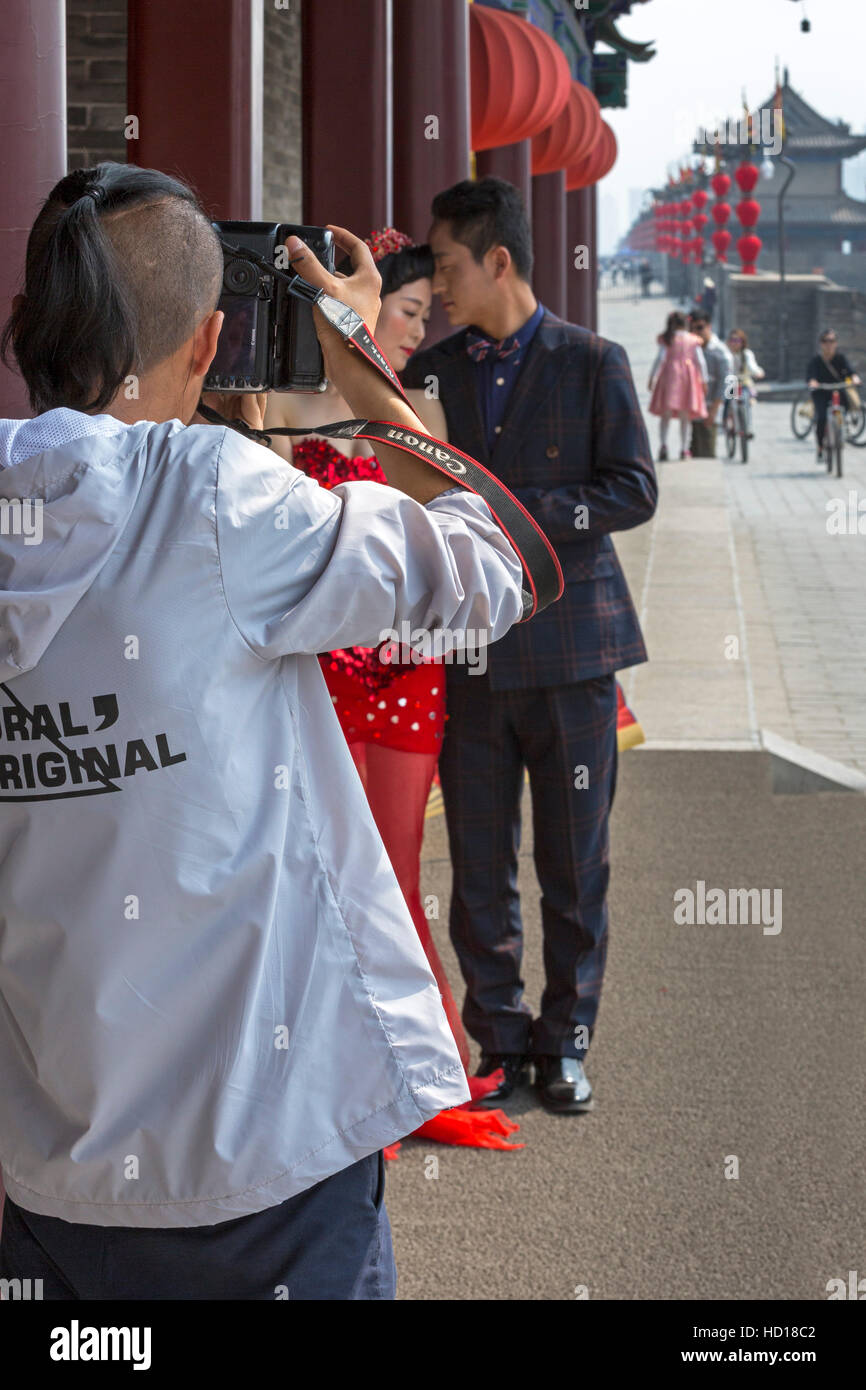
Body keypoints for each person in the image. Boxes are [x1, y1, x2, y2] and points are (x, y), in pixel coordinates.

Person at [0, 163, 527, 1299]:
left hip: (54, 1169)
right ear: (208, 342)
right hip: (270, 1161)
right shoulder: (211, 497)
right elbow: (496, 567)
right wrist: (366, 375)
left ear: (26, 330)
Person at [402, 176, 657, 1115]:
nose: (437, 283)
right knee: (478, 865)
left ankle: (569, 1046)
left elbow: (634, 489)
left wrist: (517, 518)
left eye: (447, 263)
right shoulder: (432, 373)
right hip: (473, 656)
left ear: (496, 260)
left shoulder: (596, 360)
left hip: (576, 654)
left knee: (573, 866)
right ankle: (501, 1042)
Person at [264, 228, 516, 1149]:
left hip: (407, 670)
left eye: (418, 313)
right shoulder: (282, 406)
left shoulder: (424, 417)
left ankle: (430, 1061)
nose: (414, 330)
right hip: (325, 666)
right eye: (405, 311)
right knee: (326, 862)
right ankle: (338, 1064)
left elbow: (447, 537)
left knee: (400, 865)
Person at [648, 310, 707, 461]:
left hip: (669, 376)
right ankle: (684, 449)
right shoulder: (693, 339)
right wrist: (704, 380)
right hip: (688, 378)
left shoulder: (667, 339)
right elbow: (700, 362)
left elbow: (660, 359)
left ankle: (663, 445)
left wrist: (652, 377)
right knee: (685, 416)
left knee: (665, 414)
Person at [807, 328, 862, 462]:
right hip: (821, 392)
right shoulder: (816, 360)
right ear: (821, 343)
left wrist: (854, 378)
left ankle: (842, 429)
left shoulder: (840, 358)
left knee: (846, 407)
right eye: (826, 341)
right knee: (821, 419)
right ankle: (820, 447)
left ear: (836, 343)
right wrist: (813, 382)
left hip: (839, 390)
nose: (829, 344)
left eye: (832, 341)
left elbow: (850, 371)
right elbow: (811, 376)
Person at [688, 310, 732, 458]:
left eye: (700, 328)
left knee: (706, 451)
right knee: (695, 450)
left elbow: (727, 383)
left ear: (708, 327)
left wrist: (714, 410)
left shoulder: (720, 351)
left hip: (711, 409)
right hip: (695, 409)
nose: (696, 332)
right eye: (692, 328)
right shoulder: (692, 348)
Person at [725, 328, 764, 440]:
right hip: (731, 383)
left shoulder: (747, 354)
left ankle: (748, 428)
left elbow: (752, 366)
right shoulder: (727, 354)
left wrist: (758, 372)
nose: (735, 343)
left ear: (742, 342)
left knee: (746, 403)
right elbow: (726, 369)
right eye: (732, 340)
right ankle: (736, 427)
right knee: (733, 402)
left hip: (744, 383)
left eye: (738, 341)